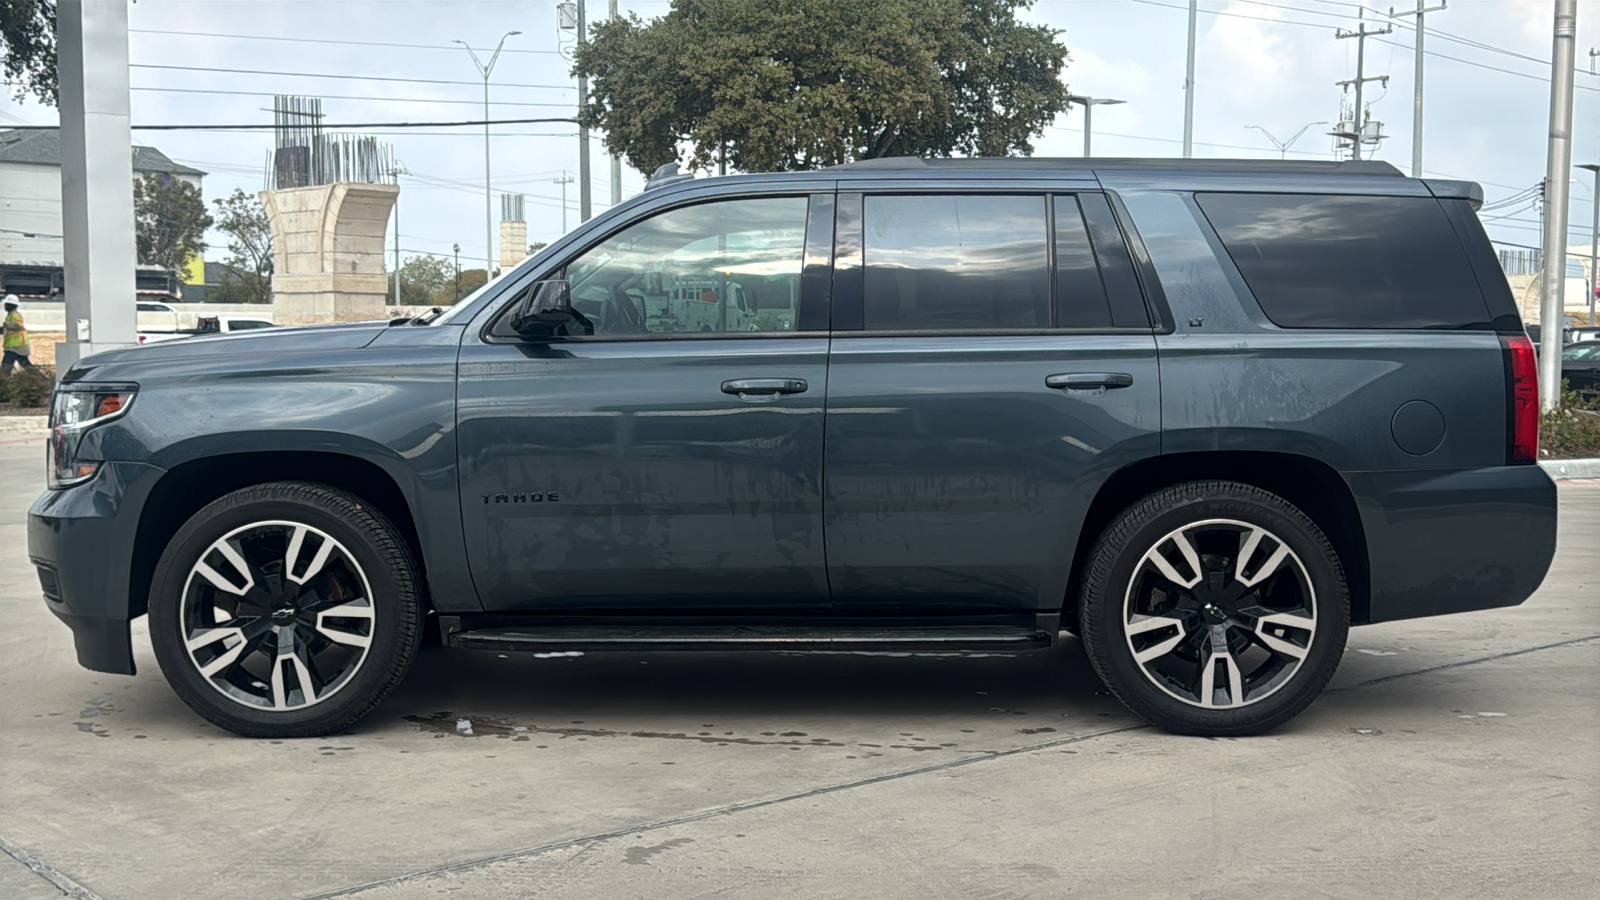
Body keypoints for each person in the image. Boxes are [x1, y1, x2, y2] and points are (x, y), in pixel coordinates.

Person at [2, 295, 36, 373]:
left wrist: (7, 324)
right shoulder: (10, 315)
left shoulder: (15, 314)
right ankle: (42, 380)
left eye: (6, 304)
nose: (5, 306)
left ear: (11, 305)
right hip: (17, 345)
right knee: (26, 365)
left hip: (16, 345)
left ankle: (3, 382)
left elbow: (18, 325)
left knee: (6, 366)